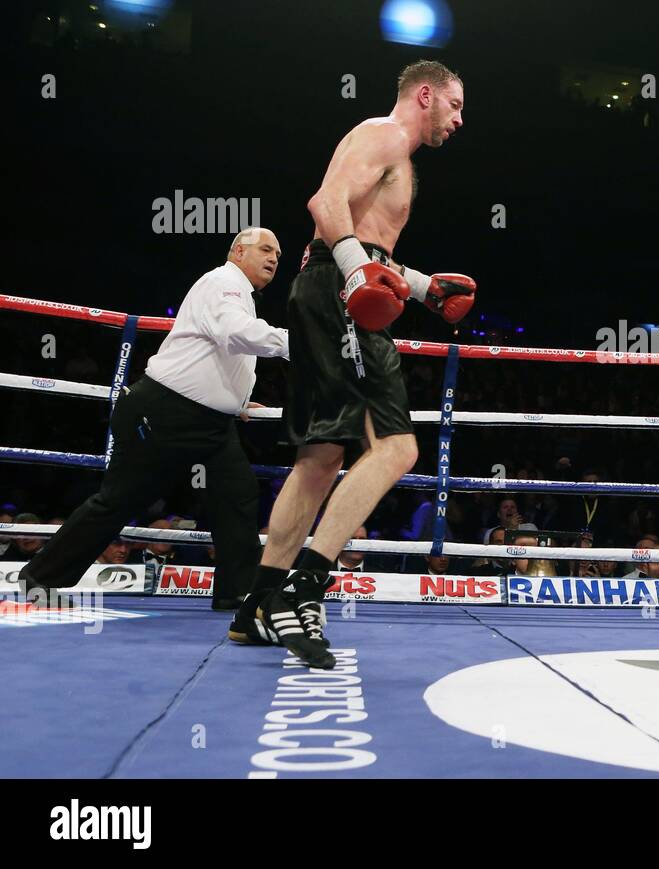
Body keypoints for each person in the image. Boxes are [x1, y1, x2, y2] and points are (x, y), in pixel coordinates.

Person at [243, 61, 477, 669]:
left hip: (325, 286)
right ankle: (305, 588)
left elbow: (368, 246)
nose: (458, 120)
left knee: (321, 457)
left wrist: (425, 288)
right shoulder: (386, 133)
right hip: (338, 292)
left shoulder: (392, 152)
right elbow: (326, 206)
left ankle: (260, 602)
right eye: (453, 106)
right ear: (424, 95)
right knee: (397, 449)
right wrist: (355, 273)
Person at [19, 228, 288, 610]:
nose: (274, 258)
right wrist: (299, 343)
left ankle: (237, 592)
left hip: (211, 424)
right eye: (265, 249)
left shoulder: (241, 294)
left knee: (237, 496)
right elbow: (234, 334)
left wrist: (237, 399)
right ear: (238, 251)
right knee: (119, 500)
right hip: (166, 412)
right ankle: (37, 579)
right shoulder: (223, 281)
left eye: (278, 253)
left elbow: (219, 352)